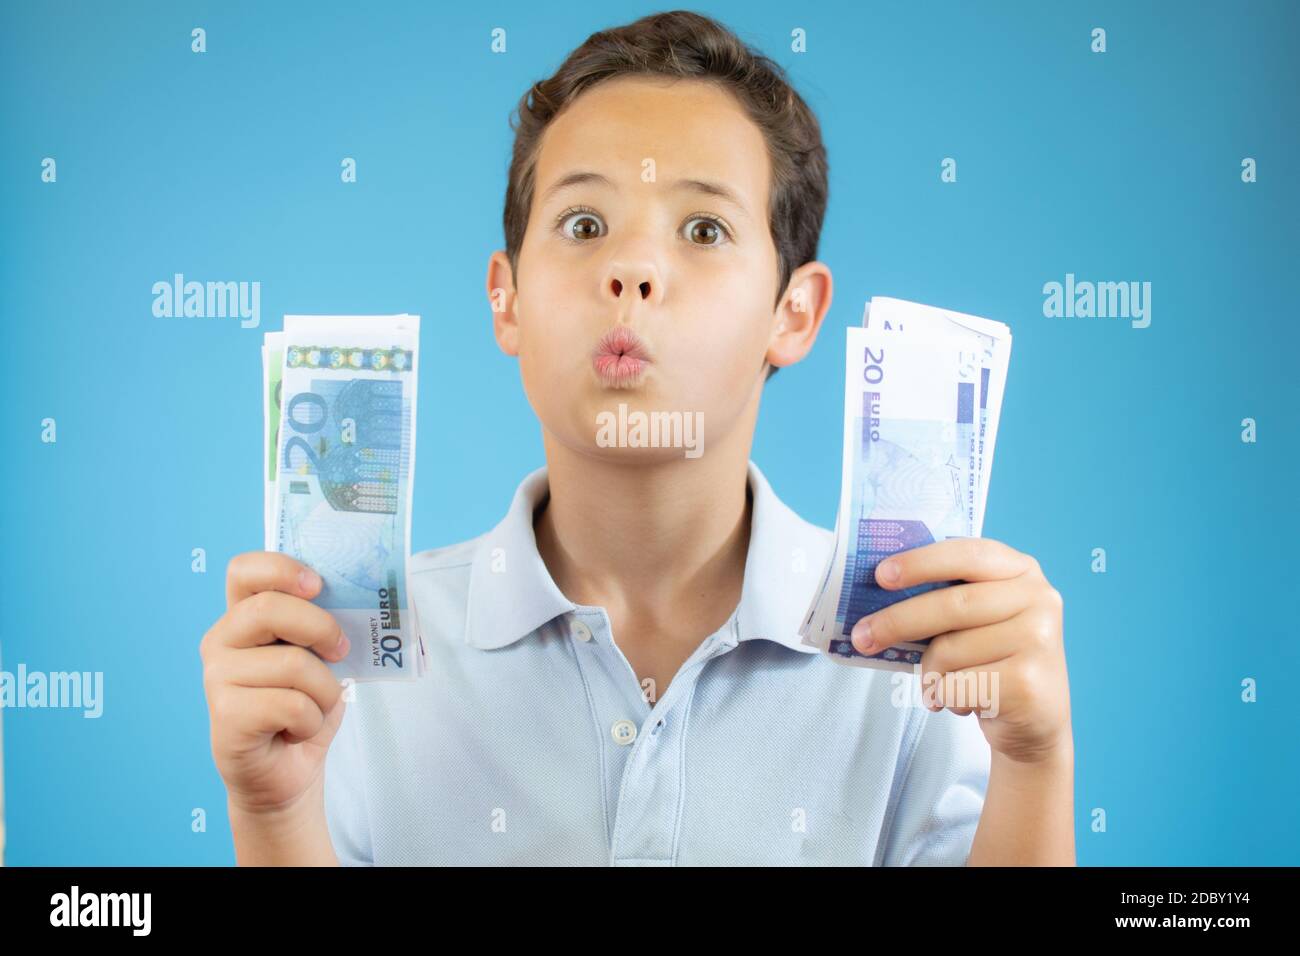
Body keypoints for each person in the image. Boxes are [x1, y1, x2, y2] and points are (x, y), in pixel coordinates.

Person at [200, 9, 1073, 866]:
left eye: (704, 230)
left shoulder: (920, 659)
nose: (634, 271)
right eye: (585, 225)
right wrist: (272, 815)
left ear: (793, 312)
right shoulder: (348, 669)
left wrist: (1036, 764)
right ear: (506, 298)